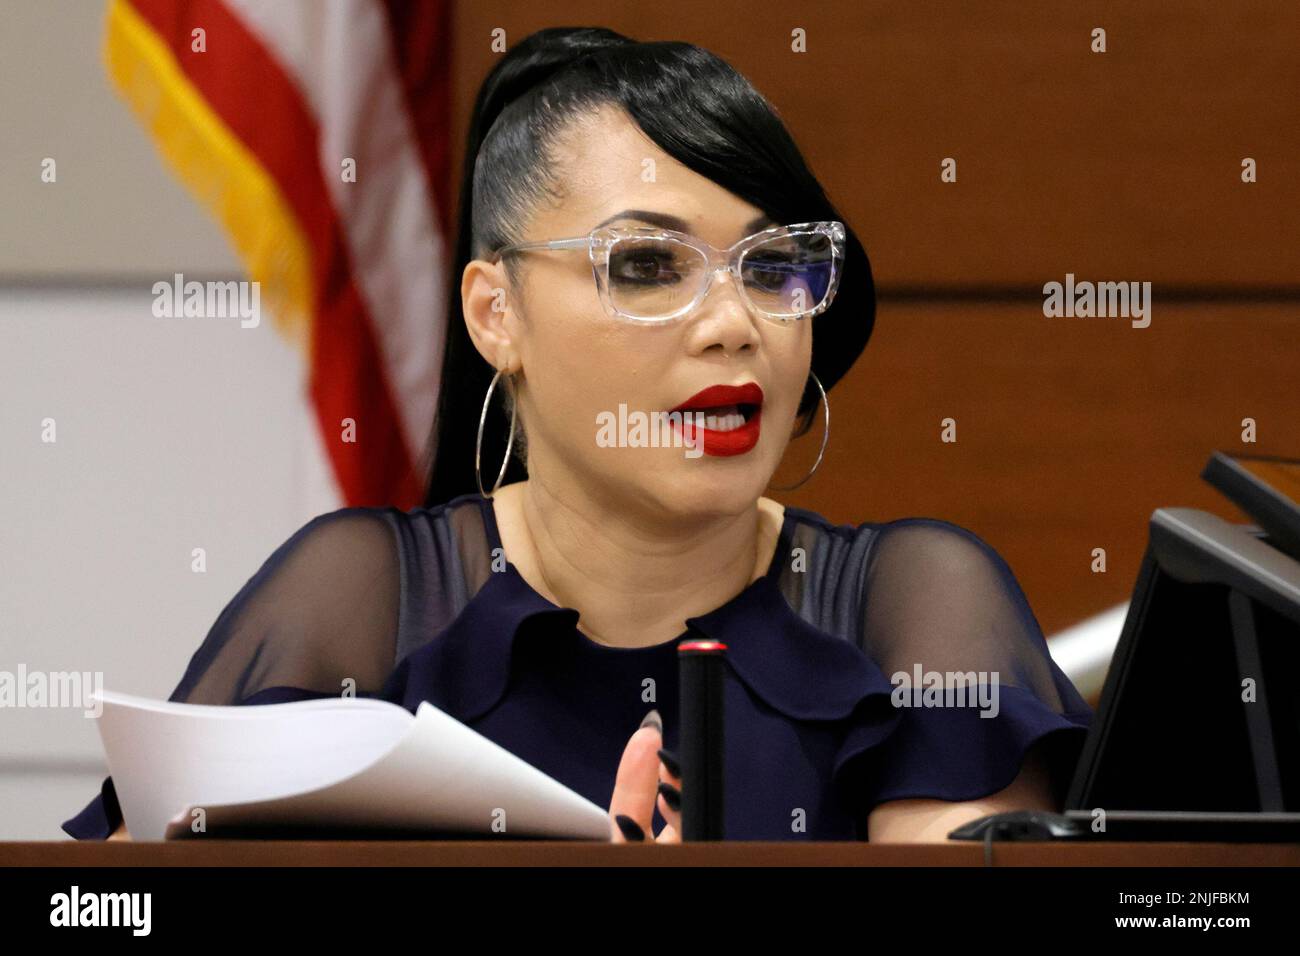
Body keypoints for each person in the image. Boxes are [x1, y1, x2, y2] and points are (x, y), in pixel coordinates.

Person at [64, 26, 1092, 844]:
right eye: (648, 266)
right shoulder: (365, 598)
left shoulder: (913, 601)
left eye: (775, 266)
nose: (737, 322)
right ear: (492, 312)